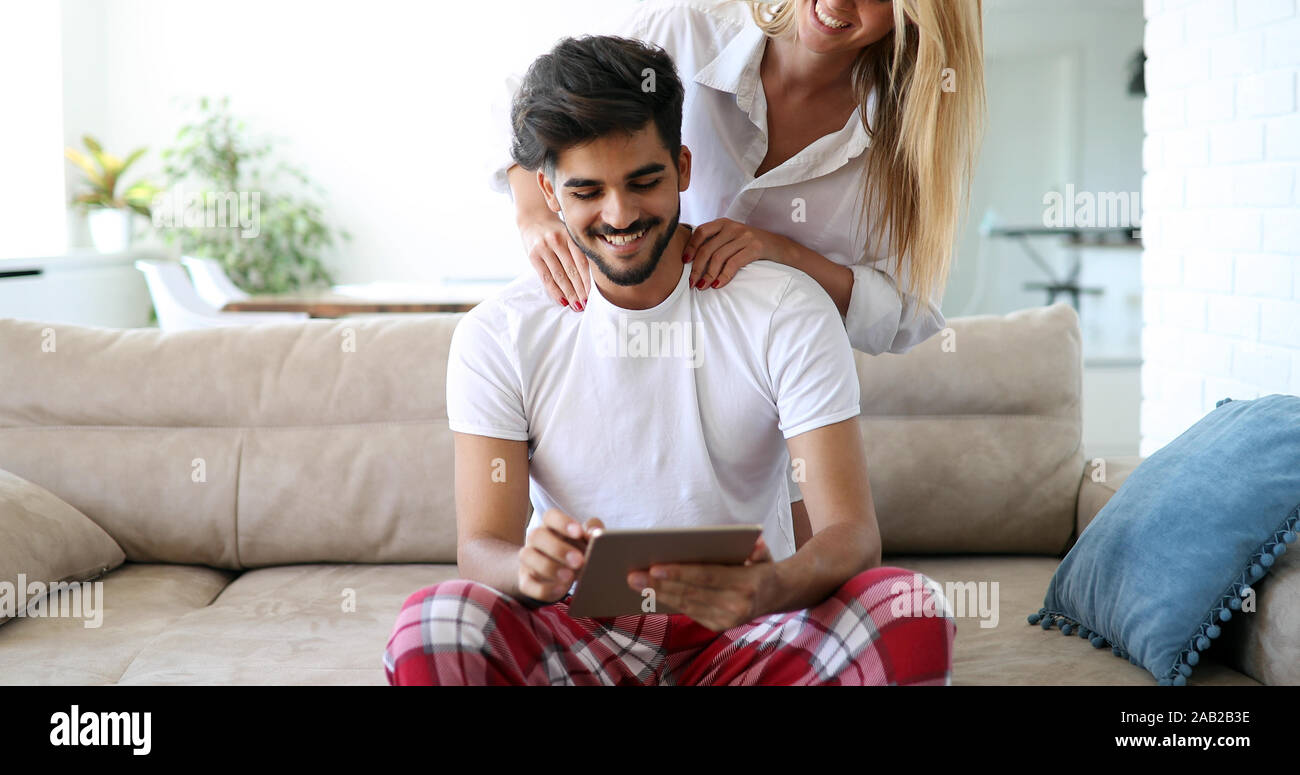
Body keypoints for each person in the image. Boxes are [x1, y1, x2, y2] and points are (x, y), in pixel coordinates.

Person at [384, 35, 954, 686]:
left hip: (746, 632)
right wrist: (525, 569)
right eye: (588, 191)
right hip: (579, 632)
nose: (620, 214)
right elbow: (480, 547)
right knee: (433, 622)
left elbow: (851, 533)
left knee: (907, 608)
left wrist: (770, 586)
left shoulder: (785, 309)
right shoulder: (498, 334)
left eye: (644, 181)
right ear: (549, 191)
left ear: (683, 168)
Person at [496, 0, 986, 548]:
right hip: (624, 361)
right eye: (589, 192)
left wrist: (786, 254)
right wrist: (535, 211)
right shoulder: (687, 30)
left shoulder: (908, 135)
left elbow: (907, 317)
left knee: (836, 586)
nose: (838, 2)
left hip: (769, 414)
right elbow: (541, 101)